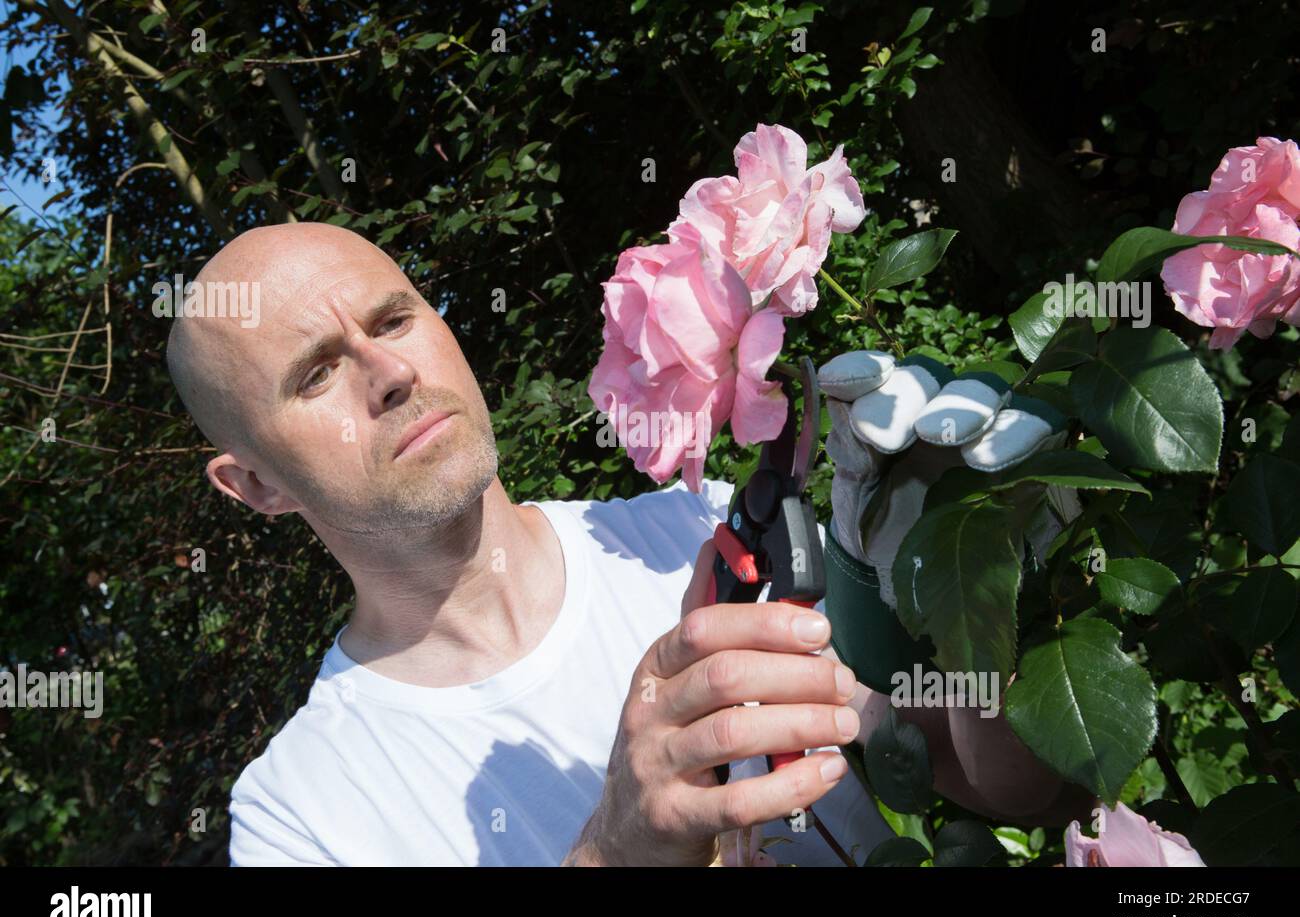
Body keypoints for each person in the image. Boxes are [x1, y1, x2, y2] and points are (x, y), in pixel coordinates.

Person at [166, 222, 1089, 866]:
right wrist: (617, 851)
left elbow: (1010, 793)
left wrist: (979, 594)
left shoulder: (706, 535)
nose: (390, 373)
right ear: (256, 484)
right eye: (317, 374)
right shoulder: (304, 813)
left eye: (394, 319)